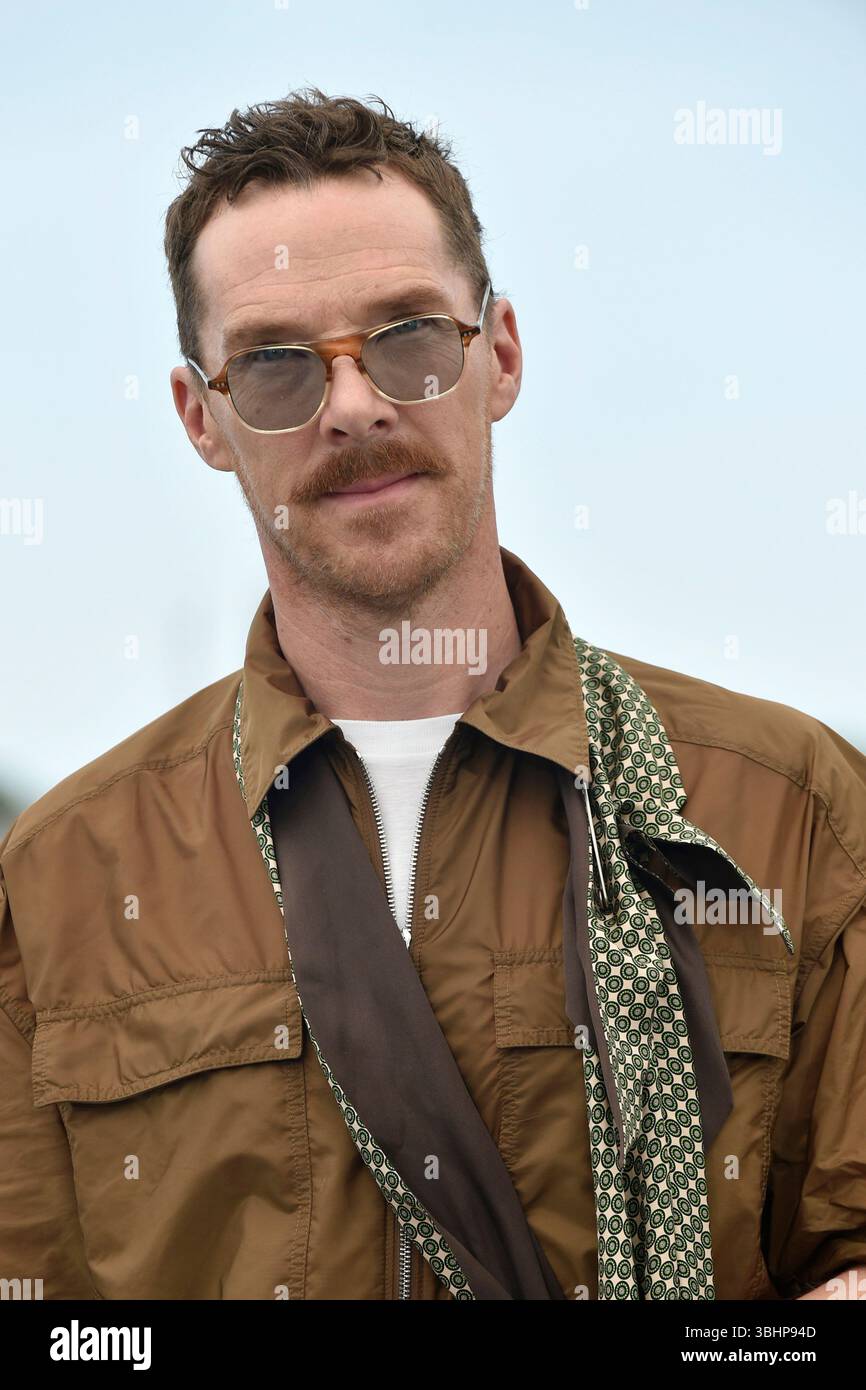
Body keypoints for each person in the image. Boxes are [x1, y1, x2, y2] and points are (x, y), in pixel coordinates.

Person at [1, 88, 864, 1302]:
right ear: (202, 417)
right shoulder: (63, 877)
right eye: (275, 365)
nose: (355, 405)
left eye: (408, 336)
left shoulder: (787, 807)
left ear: (497, 354)